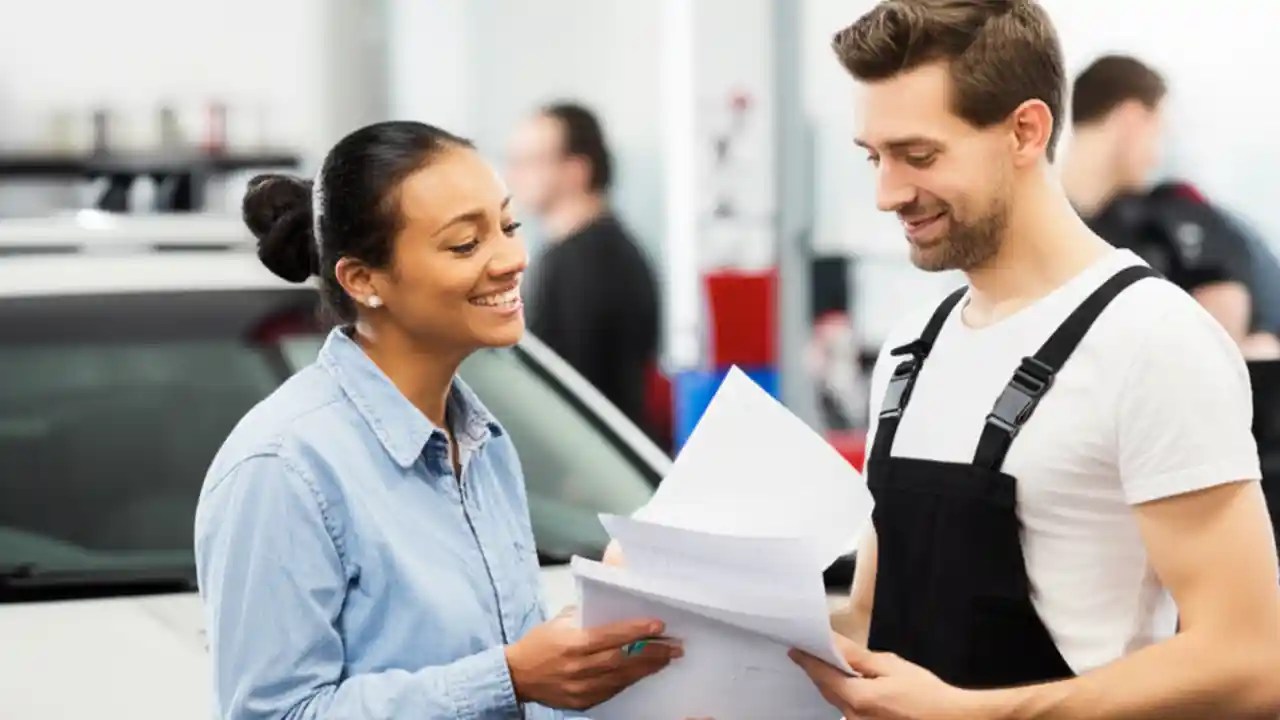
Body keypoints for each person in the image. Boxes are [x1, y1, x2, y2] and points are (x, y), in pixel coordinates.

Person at [791, 1, 1280, 717]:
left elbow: (1253, 660)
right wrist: (705, 611)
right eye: (875, 157)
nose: (887, 193)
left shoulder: (1151, 340)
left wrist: (968, 715)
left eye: (919, 156)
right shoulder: (908, 351)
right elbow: (870, 618)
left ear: (1026, 130)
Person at [193, 121, 680, 720]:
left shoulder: (483, 444)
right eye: (465, 245)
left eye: (508, 226)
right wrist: (508, 678)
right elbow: (275, 714)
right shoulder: (283, 468)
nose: (511, 259)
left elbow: (525, 692)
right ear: (364, 280)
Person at [1061, 54, 1279, 356]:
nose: (1156, 156)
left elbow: (1225, 314)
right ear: (1132, 119)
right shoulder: (1119, 222)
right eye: (1159, 132)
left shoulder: (1168, 214)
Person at [506, 102, 662, 441]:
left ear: (577, 170)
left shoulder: (588, 262)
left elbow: (573, 387)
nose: (513, 176)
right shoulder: (601, 248)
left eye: (530, 162)